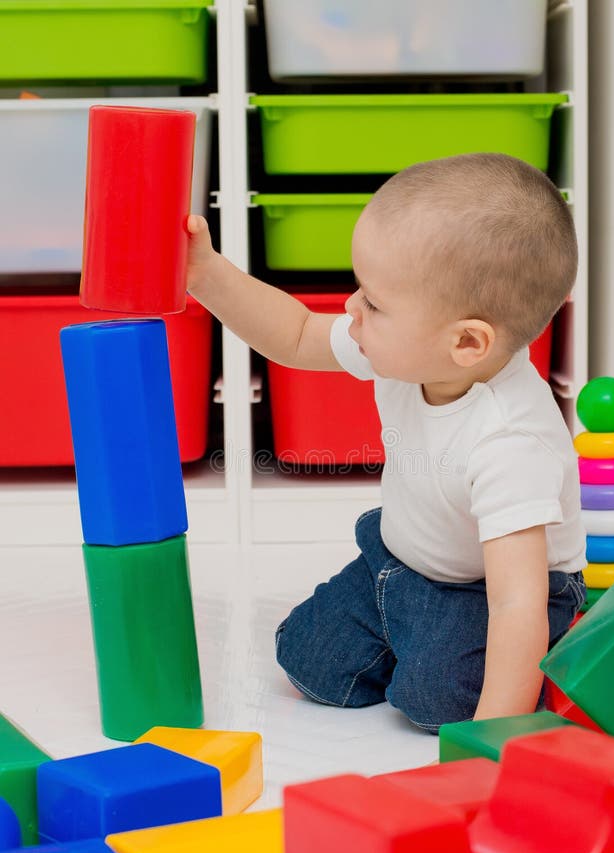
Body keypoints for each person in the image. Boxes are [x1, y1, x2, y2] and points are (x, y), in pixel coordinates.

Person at [186, 152, 587, 734]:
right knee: (306, 661)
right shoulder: (410, 350)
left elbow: (516, 603)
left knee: (437, 706)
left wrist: (493, 739)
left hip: (490, 593)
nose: (351, 307)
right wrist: (206, 274)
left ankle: (485, 659)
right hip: (397, 559)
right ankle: (406, 636)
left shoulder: (509, 442)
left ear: (467, 343)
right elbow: (296, 335)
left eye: (372, 302)